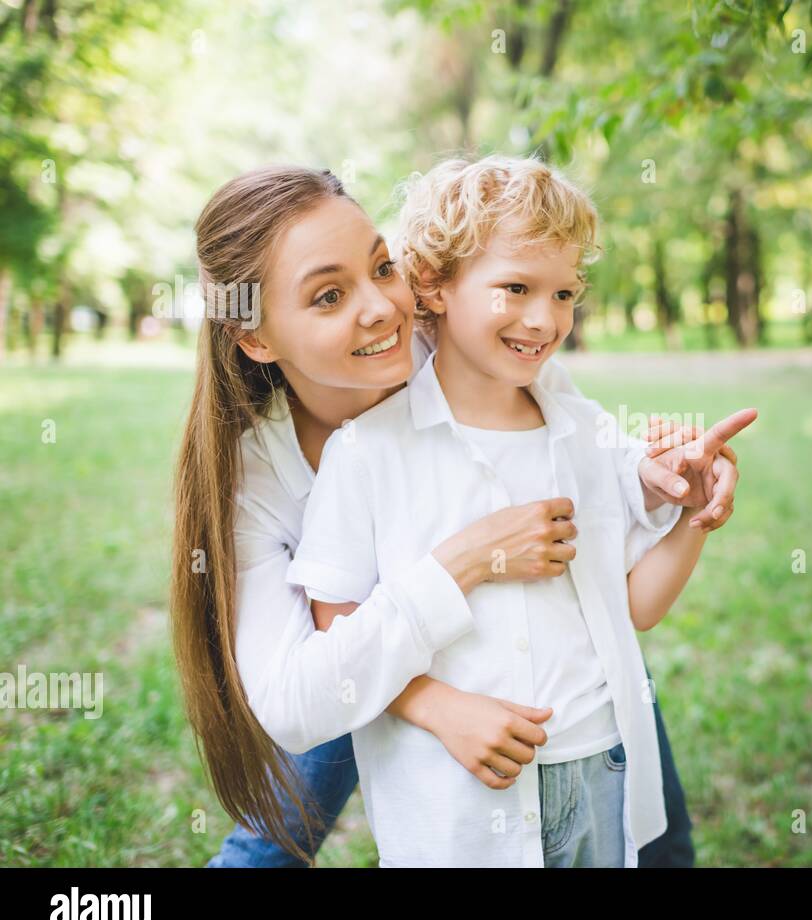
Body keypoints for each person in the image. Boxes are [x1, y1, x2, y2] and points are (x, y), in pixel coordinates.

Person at [171, 164, 742, 867]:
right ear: (257, 338)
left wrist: (662, 478)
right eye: (327, 295)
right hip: (364, 650)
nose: (382, 307)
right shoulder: (259, 473)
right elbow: (299, 697)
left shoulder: (471, 341)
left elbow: (586, 447)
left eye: (382, 267)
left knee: (650, 821)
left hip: (554, 667)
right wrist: (461, 588)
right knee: (283, 822)